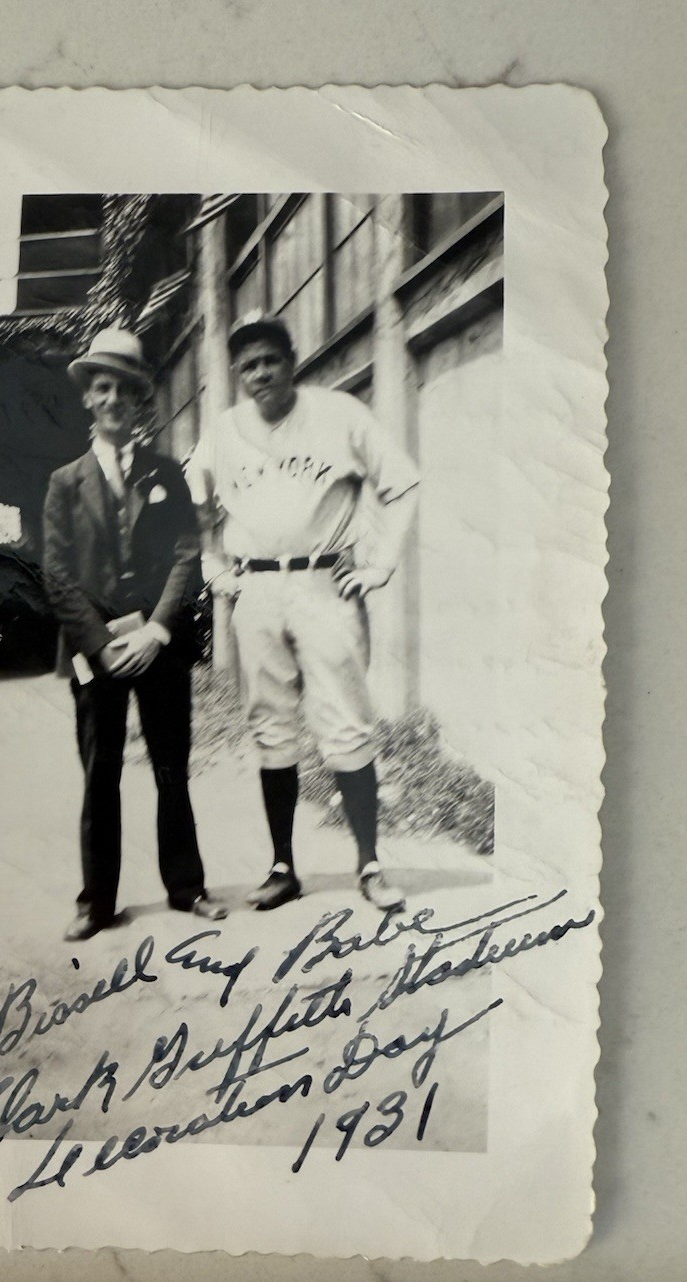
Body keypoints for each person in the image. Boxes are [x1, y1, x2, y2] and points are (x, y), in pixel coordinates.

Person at [187, 312, 419, 914]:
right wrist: (212, 566)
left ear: (292, 361)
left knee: (346, 723)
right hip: (256, 589)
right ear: (237, 375)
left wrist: (379, 565)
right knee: (271, 727)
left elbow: (402, 483)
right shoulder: (223, 430)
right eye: (248, 365)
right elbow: (191, 505)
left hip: (324, 585)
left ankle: (369, 863)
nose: (260, 373)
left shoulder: (339, 415)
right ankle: (282, 866)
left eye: (269, 360)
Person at [42, 326, 227, 942]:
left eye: (125, 389)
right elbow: (58, 574)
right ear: (88, 400)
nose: (114, 399)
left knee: (172, 767)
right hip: (97, 650)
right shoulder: (65, 483)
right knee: (101, 773)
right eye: (103, 388)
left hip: (157, 643)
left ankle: (187, 887)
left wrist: (154, 632)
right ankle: (96, 901)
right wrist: (101, 642)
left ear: (139, 400)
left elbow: (185, 552)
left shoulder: (165, 472)